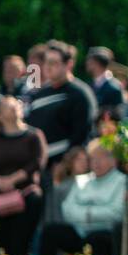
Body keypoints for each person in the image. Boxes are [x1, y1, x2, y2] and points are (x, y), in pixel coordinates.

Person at [38, 141, 128, 255]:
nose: (96, 163)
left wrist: (87, 213)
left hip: (106, 234)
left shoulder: (122, 181)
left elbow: (117, 212)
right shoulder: (82, 180)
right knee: (51, 231)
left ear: (112, 160)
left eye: (101, 158)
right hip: (79, 231)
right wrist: (92, 213)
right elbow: (67, 209)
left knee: (96, 239)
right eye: (93, 159)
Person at [0, 96, 47, 255]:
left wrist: (14, 179)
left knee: (21, 243)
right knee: (4, 245)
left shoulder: (34, 135)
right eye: (7, 106)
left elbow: (38, 161)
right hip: (1, 198)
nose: (13, 107)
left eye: (15, 104)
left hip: (27, 195)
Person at [26, 40, 95, 169]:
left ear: (69, 64)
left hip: (62, 170)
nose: (47, 67)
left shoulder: (80, 94)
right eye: (46, 62)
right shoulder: (40, 93)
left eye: (54, 63)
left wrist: (65, 165)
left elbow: (81, 138)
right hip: (36, 167)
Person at [85, 47, 125, 118]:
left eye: (90, 61)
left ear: (97, 63)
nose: (87, 63)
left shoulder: (114, 87)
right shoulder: (89, 85)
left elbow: (118, 113)